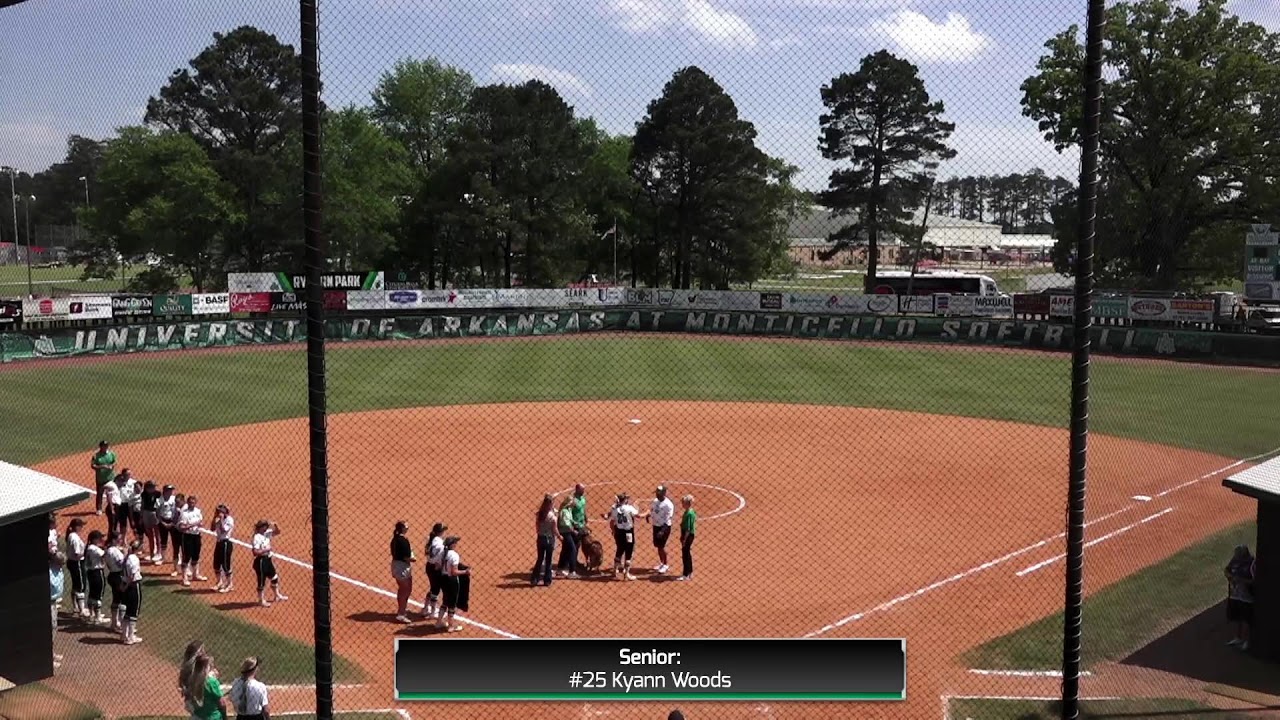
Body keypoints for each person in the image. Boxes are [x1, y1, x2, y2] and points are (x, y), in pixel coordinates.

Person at [604, 493, 647, 581]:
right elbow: (639, 516)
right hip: (628, 533)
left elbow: (612, 523)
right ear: (625, 500)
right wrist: (647, 512)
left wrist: (614, 531)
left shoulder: (615, 509)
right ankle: (626, 573)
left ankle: (615, 570)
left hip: (619, 533)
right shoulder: (629, 508)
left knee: (619, 550)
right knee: (629, 551)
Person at [435, 536, 469, 633]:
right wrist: (465, 572)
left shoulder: (442, 553)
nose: (456, 544)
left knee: (445, 601)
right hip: (451, 581)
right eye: (455, 542)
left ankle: (438, 622)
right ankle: (450, 626)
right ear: (452, 544)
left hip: (443, 579)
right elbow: (454, 572)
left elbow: (437, 566)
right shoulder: (454, 555)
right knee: (452, 604)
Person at [1225, 544, 1255, 650]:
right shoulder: (1235, 561)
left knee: (1247, 620)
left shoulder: (1252, 564)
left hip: (1247, 597)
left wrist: (1241, 581)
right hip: (1235, 595)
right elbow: (1227, 570)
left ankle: (1247, 641)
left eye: (1238, 555)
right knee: (1238, 618)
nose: (1236, 557)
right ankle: (1238, 637)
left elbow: (1255, 581)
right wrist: (1230, 577)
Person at [251, 520, 287, 607]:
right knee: (261, 582)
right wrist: (265, 550)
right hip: (260, 561)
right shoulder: (256, 537)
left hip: (268, 560)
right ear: (260, 527)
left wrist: (275, 525)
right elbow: (255, 552)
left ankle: (277, 595)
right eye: (265, 526)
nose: (266, 528)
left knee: (274, 577)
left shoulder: (266, 533)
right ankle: (261, 600)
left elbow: (278, 532)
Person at [187, 653, 228, 720]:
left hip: (197, 716)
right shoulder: (211, 682)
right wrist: (225, 717)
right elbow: (222, 703)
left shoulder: (192, 679)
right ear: (206, 667)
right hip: (212, 717)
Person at [390, 520, 415, 623]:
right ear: (402, 528)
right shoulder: (403, 541)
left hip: (396, 565)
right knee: (405, 590)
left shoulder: (395, 539)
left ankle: (402, 610)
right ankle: (401, 613)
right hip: (402, 567)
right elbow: (406, 557)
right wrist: (413, 559)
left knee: (404, 589)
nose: (408, 528)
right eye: (406, 526)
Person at [178, 495, 206, 586]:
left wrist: (199, 524)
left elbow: (201, 522)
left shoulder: (198, 511)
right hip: (187, 537)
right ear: (188, 503)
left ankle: (195, 574)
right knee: (186, 557)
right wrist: (192, 525)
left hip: (196, 536)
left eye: (193, 502)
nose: (192, 504)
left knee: (196, 556)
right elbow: (182, 527)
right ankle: (184, 578)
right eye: (190, 502)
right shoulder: (184, 513)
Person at [422, 522, 447, 620]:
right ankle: (432, 612)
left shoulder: (430, 539)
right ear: (440, 532)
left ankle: (425, 608)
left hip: (429, 566)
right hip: (435, 568)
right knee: (435, 590)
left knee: (433, 588)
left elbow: (428, 554)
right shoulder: (439, 543)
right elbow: (439, 556)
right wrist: (438, 563)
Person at [64, 518, 88, 618]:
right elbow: (77, 554)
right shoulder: (74, 538)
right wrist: (86, 552)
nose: (82, 527)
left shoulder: (71, 535)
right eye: (81, 525)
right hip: (77, 562)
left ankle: (75, 607)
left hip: (72, 562)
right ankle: (82, 609)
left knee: (75, 585)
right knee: (81, 586)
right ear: (77, 526)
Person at [649, 485, 675, 574]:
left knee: (661, 546)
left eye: (659, 493)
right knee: (658, 546)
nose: (657, 495)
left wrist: (662, 531)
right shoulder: (655, 501)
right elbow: (652, 510)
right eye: (656, 493)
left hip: (664, 527)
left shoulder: (668, 505)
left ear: (664, 493)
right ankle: (661, 563)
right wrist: (649, 515)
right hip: (656, 526)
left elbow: (668, 520)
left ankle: (666, 564)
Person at [121, 540, 144, 645]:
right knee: (133, 612)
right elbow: (132, 576)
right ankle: (130, 637)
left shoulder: (126, 557)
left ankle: (124, 635)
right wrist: (126, 586)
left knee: (127, 612)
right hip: (133, 586)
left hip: (127, 585)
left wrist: (123, 586)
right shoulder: (134, 559)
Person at [532, 494, 557, 587]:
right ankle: (547, 580)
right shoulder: (552, 516)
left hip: (541, 538)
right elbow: (554, 530)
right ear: (550, 504)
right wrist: (560, 537)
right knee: (548, 560)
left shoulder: (539, 514)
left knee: (540, 559)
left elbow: (537, 527)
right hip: (550, 539)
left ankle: (534, 579)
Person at [104, 531, 127, 632]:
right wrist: (126, 554)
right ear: (114, 540)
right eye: (119, 538)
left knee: (116, 599)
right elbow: (122, 564)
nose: (121, 540)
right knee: (122, 600)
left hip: (112, 575)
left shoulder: (108, 550)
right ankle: (122, 625)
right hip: (119, 576)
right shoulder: (115, 551)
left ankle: (114, 623)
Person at [85, 530, 108, 625]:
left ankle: (92, 614)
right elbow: (105, 555)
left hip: (91, 572)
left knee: (92, 593)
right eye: (100, 538)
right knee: (98, 594)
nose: (101, 539)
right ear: (95, 539)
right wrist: (109, 548)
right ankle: (97, 617)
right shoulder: (94, 548)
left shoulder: (90, 547)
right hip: (97, 572)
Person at [212, 504, 236, 594]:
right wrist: (214, 518)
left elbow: (223, 530)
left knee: (226, 565)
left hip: (226, 543)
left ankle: (229, 584)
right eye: (218, 511)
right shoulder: (218, 519)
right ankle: (219, 582)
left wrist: (221, 519)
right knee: (216, 564)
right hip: (219, 543)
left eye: (221, 511)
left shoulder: (229, 520)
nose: (219, 513)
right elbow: (212, 529)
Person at [179, 640, 207, 714]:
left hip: (191, 701)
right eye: (202, 650)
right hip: (197, 702)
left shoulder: (186, 666)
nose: (204, 652)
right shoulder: (193, 668)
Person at [555, 496, 579, 579]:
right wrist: (573, 530)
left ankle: (560, 569)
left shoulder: (569, 510)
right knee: (572, 549)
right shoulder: (564, 511)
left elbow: (570, 520)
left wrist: (575, 523)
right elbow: (566, 524)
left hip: (568, 532)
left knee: (565, 550)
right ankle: (572, 571)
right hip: (565, 532)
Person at [49, 550, 66, 669]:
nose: (62, 565)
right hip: (48, 603)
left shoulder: (59, 570)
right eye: (60, 563)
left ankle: (51, 653)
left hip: (54, 602)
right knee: (50, 628)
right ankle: (48, 658)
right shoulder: (49, 572)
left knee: (54, 627)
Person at [90, 441, 117, 516]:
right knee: (100, 494)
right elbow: (92, 466)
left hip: (110, 478)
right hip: (100, 478)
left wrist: (112, 465)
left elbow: (114, 462)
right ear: (100, 447)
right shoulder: (96, 456)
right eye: (104, 446)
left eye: (107, 446)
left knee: (111, 493)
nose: (106, 447)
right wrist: (102, 466)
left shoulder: (111, 454)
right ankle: (99, 509)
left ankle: (112, 507)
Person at [140, 480, 163, 563]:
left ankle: (159, 552)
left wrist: (159, 515)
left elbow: (159, 506)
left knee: (157, 534)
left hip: (154, 513)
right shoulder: (144, 494)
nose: (154, 488)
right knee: (150, 535)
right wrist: (142, 516)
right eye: (152, 487)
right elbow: (142, 505)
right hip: (146, 513)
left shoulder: (158, 494)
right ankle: (151, 553)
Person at [164, 489, 185, 572]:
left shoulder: (186, 509)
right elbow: (173, 519)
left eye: (178, 502)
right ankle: (175, 569)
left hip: (184, 533)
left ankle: (185, 569)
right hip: (175, 531)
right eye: (176, 502)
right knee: (176, 549)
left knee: (185, 551)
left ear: (183, 501)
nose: (177, 504)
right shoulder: (174, 509)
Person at [677, 494, 696, 582]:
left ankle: (686, 574)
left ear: (688, 503)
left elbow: (688, 528)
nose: (682, 504)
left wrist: (684, 539)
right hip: (688, 535)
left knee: (685, 555)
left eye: (683, 503)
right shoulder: (690, 511)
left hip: (687, 535)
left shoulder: (689, 513)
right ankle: (690, 572)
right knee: (687, 553)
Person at [102, 472, 124, 539]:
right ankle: (110, 539)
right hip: (113, 507)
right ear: (117, 480)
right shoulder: (113, 486)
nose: (122, 483)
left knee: (114, 525)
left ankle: (111, 539)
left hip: (115, 507)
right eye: (121, 481)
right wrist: (112, 508)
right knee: (112, 526)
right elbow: (109, 496)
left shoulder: (115, 487)